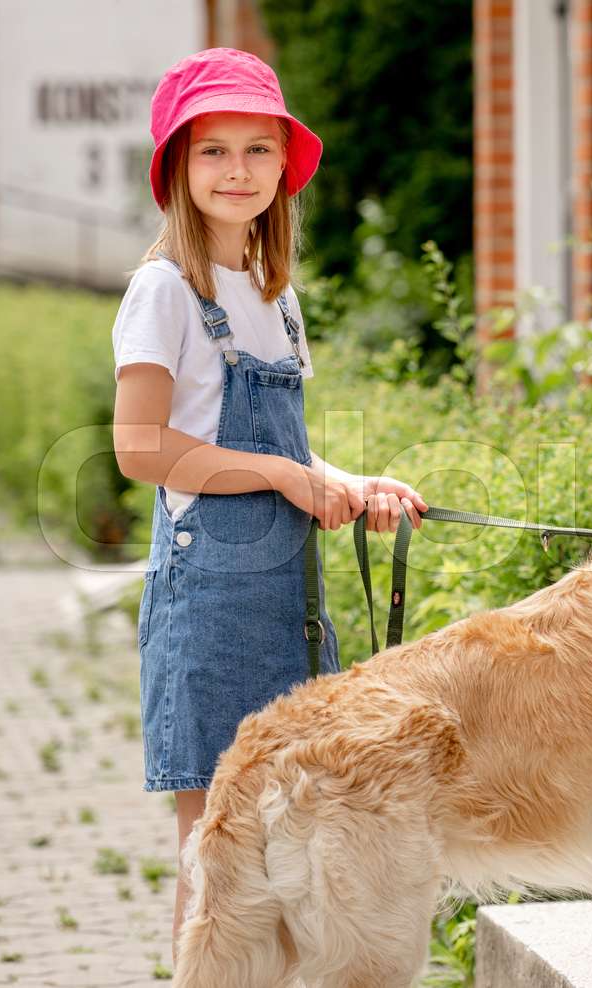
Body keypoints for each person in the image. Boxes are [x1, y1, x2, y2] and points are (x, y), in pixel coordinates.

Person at [109, 47, 428, 963]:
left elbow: (275, 449)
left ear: (285, 166)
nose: (237, 170)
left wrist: (345, 482)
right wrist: (292, 479)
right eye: (212, 151)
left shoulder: (273, 296)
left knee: (284, 846)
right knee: (215, 849)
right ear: (176, 168)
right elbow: (142, 449)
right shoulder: (164, 292)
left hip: (288, 601)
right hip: (210, 601)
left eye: (257, 149)